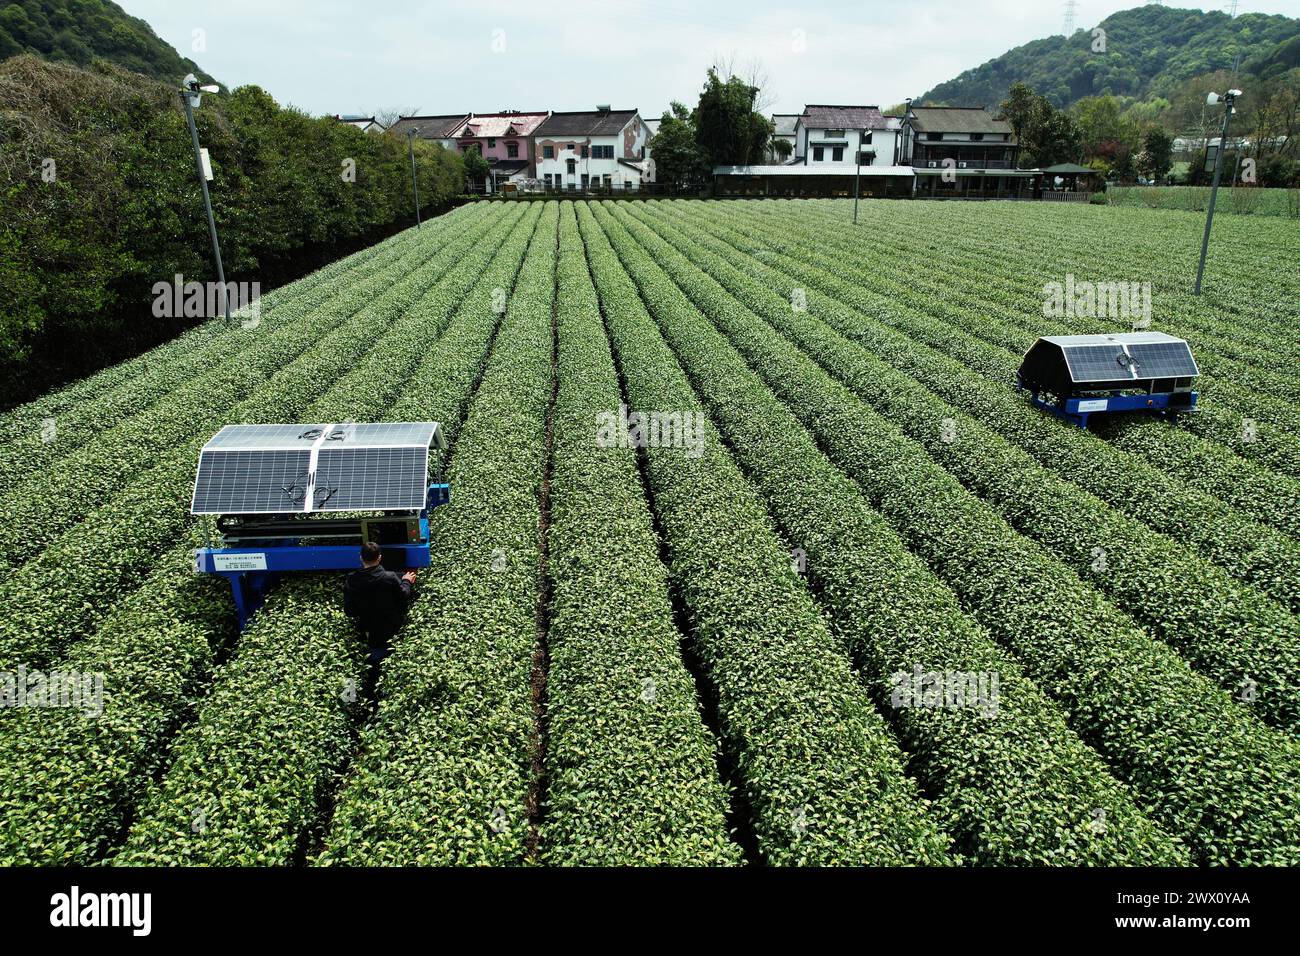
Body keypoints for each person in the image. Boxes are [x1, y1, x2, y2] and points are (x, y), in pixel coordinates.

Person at [343, 541, 417, 667]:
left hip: (368, 630)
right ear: (380, 558)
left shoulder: (351, 580)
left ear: (361, 557)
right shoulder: (389, 577)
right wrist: (406, 581)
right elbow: (403, 595)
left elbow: (349, 611)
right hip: (392, 627)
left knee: (375, 661)